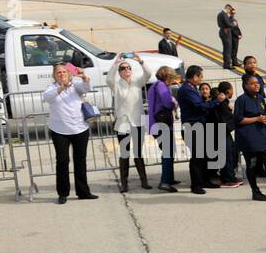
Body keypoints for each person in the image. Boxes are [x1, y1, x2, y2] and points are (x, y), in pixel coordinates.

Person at [42, 63, 95, 203]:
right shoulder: (51, 88)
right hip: (60, 130)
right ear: (54, 76)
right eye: (58, 72)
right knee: (62, 161)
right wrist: (61, 88)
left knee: (80, 161)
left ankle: (83, 191)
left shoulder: (75, 86)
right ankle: (63, 193)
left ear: (68, 73)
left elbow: (86, 88)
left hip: (79, 128)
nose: (62, 74)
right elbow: (47, 97)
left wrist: (84, 77)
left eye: (64, 72)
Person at [233, 73, 266, 201]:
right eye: (252, 83)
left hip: (262, 134)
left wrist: (264, 120)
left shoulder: (260, 98)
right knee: (252, 164)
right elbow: (238, 119)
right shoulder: (241, 100)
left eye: (257, 83)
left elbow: (263, 113)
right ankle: (255, 191)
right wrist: (257, 118)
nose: (256, 85)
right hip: (248, 136)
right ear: (246, 86)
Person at [106, 54, 151, 192]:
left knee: (138, 152)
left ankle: (144, 181)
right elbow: (108, 78)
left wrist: (141, 62)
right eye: (123, 69)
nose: (126, 70)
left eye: (128, 68)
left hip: (137, 121)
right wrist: (115, 64)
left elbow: (148, 74)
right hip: (123, 123)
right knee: (124, 154)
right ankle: (124, 183)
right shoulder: (116, 85)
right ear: (119, 73)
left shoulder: (137, 81)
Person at [176, 65, 221, 194]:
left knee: (204, 156)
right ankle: (196, 185)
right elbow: (198, 106)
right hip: (192, 126)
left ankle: (204, 180)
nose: (201, 79)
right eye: (200, 76)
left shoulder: (192, 88)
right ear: (195, 76)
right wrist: (215, 102)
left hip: (199, 125)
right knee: (197, 157)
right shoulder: (186, 90)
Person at [146, 66, 179, 192]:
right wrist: (174, 102)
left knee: (169, 151)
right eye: (172, 76)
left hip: (155, 122)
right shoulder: (161, 86)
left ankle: (169, 177)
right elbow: (167, 103)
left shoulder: (154, 86)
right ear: (167, 76)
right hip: (161, 123)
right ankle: (165, 181)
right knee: (168, 152)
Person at [217, 4, 241, 68]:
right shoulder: (223, 14)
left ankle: (227, 63)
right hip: (226, 33)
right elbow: (227, 23)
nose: (229, 12)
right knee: (227, 49)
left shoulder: (220, 14)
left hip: (224, 32)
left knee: (227, 49)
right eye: (229, 10)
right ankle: (227, 64)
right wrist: (233, 24)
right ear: (227, 8)